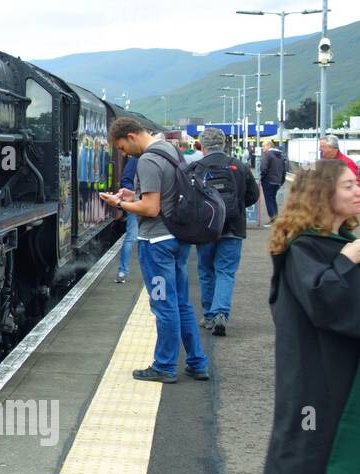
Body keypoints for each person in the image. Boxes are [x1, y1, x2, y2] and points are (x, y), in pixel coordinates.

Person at [260, 159, 360, 474]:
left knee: (320, 447)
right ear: (322, 193)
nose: (358, 191)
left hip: (341, 364)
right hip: (315, 369)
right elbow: (325, 302)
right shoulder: (306, 247)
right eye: (349, 185)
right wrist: (351, 256)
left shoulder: (339, 239)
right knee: (315, 449)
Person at [100, 116, 209, 383]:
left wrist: (120, 203)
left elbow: (151, 208)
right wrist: (132, 196)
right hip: (177, 239)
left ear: (131, 137)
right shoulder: (170, 150)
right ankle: (197, 362)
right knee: (182, 303)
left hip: (157, 245)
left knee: (163, 305)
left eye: (123, 148)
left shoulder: (147, 159)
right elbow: (162, 197)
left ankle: (164, 366)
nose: (124, 154)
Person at [193, 127, 258, 336]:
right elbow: (253, 195)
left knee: (206, 271)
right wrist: (236, 208)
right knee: (225, 271)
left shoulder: (196, 168)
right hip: (233, 227)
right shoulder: (238, 166)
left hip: (206, 229)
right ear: (223, 144)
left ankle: (209, 315)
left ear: (202, 146)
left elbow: (187, 200)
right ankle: (221, 312)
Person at [115, 155, 139, 284]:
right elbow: (126, 180)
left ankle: (123, 271)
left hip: (155, 204)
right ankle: (122, 270)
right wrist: (136, 194)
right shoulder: (137, 158)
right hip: (137, 203)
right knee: (131, 236)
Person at [260, 140, 287, 221]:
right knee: (273, 199)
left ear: (269, 146)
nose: (262, 148)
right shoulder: (281, 155)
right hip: (277, 181)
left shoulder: (267, 155)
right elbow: (284, 170)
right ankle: (276, 217)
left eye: (263, 145)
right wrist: (281, 181)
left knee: (269, 200)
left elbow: (263, 168)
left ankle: (273, 218)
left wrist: (262, 178)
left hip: (268, 181)